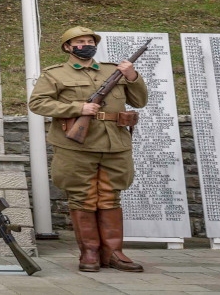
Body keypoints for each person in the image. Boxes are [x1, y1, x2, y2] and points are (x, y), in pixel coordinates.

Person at [27, 26, 147, 273]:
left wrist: (133, 75)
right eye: (79, 41)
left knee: (110, 195)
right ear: (67, 47)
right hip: (76, 145)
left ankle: (114, 252)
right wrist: (77, 108)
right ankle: (90, 253)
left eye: (90, 40)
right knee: (82, 196)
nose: (86, 44)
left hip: (115, 142)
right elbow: (37, 103)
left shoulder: (113, 70)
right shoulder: (54, 74)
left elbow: (140, 101)